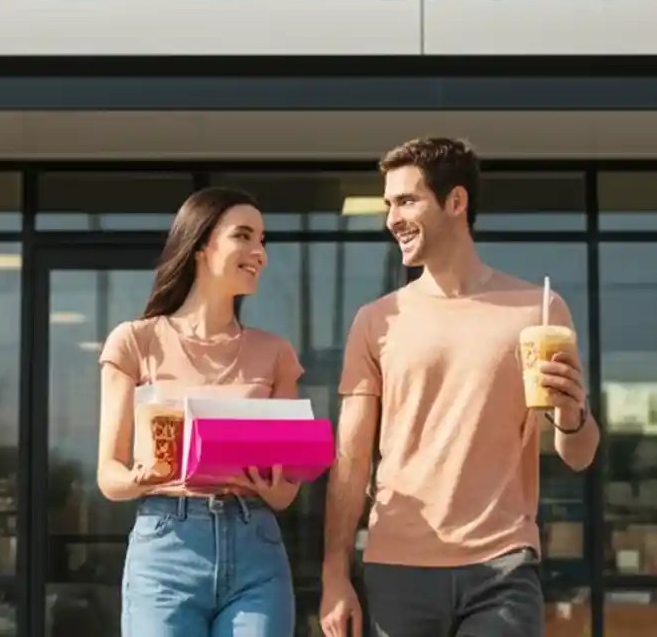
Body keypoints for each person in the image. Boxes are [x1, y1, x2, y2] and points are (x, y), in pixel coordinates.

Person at [318, 137, 601, 637]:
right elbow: (352, 457)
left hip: (502, 566)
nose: (391, 219)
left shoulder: (539, 311)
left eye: (406, 200)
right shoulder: (377, 320)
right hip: (399, 567)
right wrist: (335, 573)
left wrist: (573, 413)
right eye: (388, 205)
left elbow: (577, 454)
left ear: (455, 202)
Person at [97, 186, 305, 636]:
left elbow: (287, 491)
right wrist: (139, 478)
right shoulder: (134, 342)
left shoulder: (276, 354)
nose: (259, 252)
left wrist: (266, 485)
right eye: (243, 236)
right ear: (200, 246)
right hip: (166, 550)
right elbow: (108, 476)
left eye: (263, 240)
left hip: (256, 549)